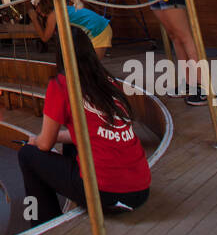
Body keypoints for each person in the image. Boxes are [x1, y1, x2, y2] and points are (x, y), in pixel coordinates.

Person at [17, 25, 150, 222]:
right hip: (140, 190)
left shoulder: (61, 84)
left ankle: (42, 221)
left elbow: (45, 143)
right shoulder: (107, 81)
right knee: (70, 145)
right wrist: (57, 138)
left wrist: (35, 141)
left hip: (108, 194)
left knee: (27, 155)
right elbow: (94, 131)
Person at [27, 0, 112, 59]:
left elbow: (45, 38)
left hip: (99, 30)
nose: (36, 11)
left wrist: (34, 19)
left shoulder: (53, 15)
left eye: (36, 7)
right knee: (87, 64)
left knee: (93, 64)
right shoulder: (60, 9)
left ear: (42, 5)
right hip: (100, 27)